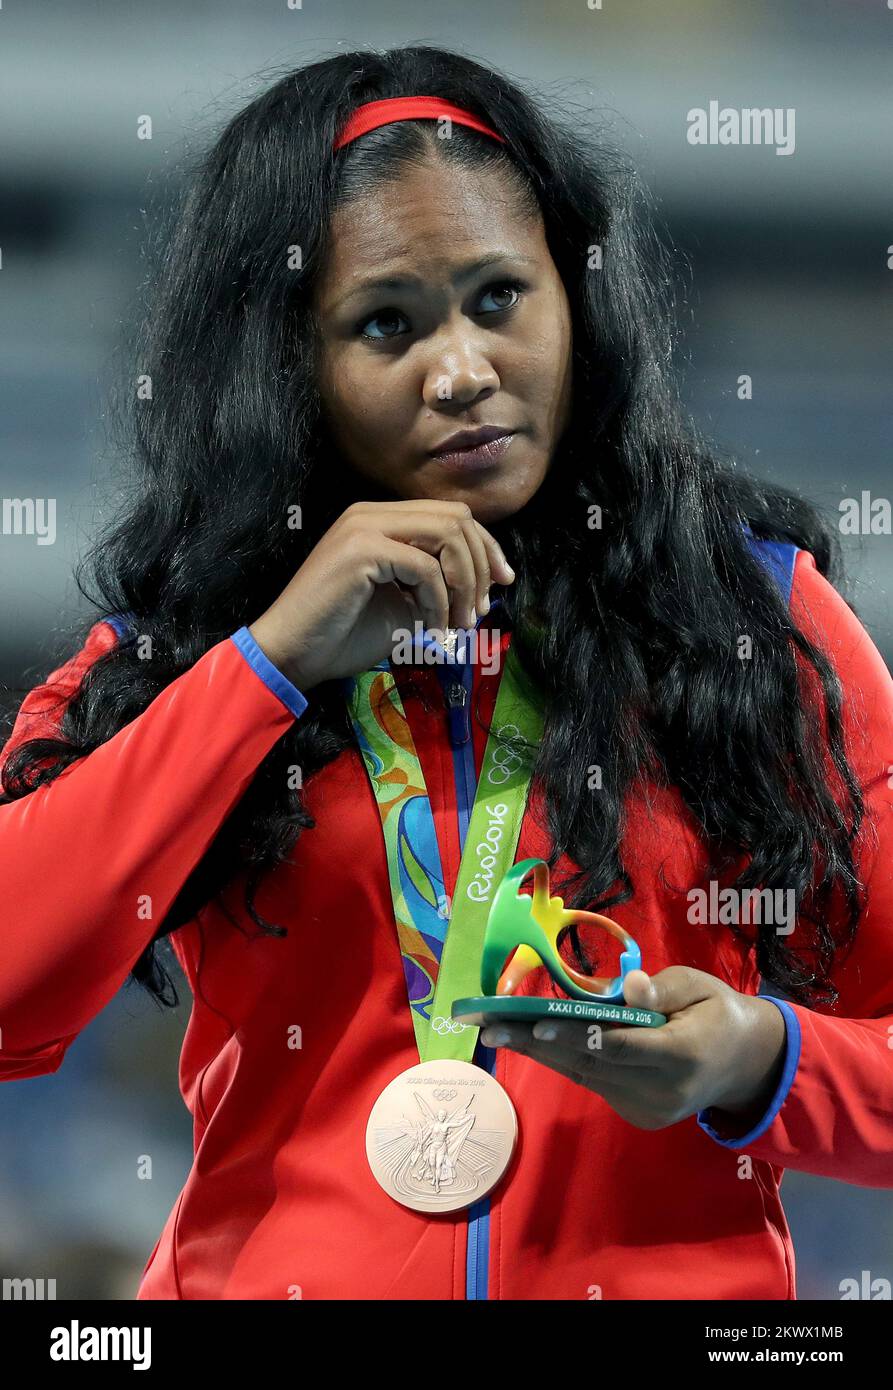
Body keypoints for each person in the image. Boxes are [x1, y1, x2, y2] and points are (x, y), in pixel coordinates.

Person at [2, 44, 892, 1302]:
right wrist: (269, 663)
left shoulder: (749, 619)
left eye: (498, 297)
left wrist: (763, 1058)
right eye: (386, 324)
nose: (463, 369)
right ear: (287, 368)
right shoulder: (189, 646)